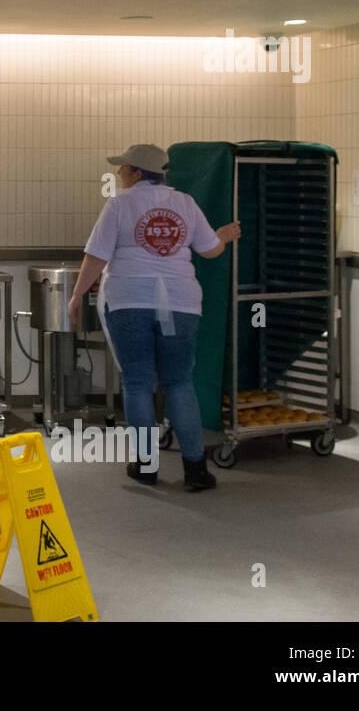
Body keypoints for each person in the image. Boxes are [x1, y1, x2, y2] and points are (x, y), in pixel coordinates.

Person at [67, 143, 241, 492]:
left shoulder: (119, 205)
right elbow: (210, 250)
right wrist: (222, 236)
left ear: (137, 172)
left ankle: (146, 466)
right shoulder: (185, 203)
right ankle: (195, 469)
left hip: (130, 300)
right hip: (180, 301)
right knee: (179, 383)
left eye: (123, 167)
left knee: (137, 383)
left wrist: (77, 294)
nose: (119, 173)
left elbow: (96, 256)